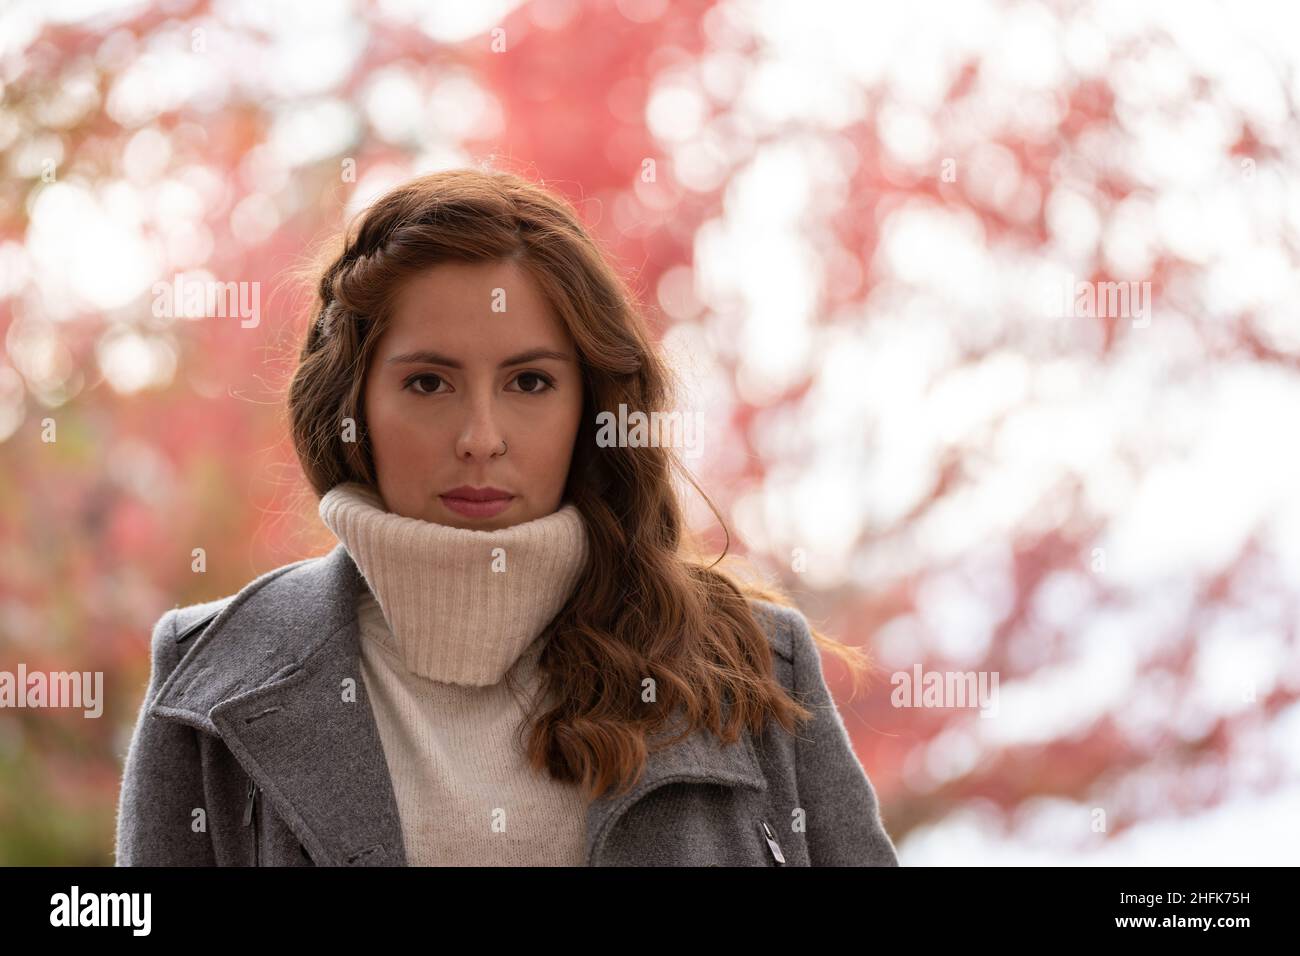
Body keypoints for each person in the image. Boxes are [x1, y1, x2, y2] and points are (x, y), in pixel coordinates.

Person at [113, 167, 900, 867]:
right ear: (352, 407)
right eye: (428, 384)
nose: (480, 439)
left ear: (591, 405)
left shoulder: (751, 665)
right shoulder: (207, 678)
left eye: (529, 383)